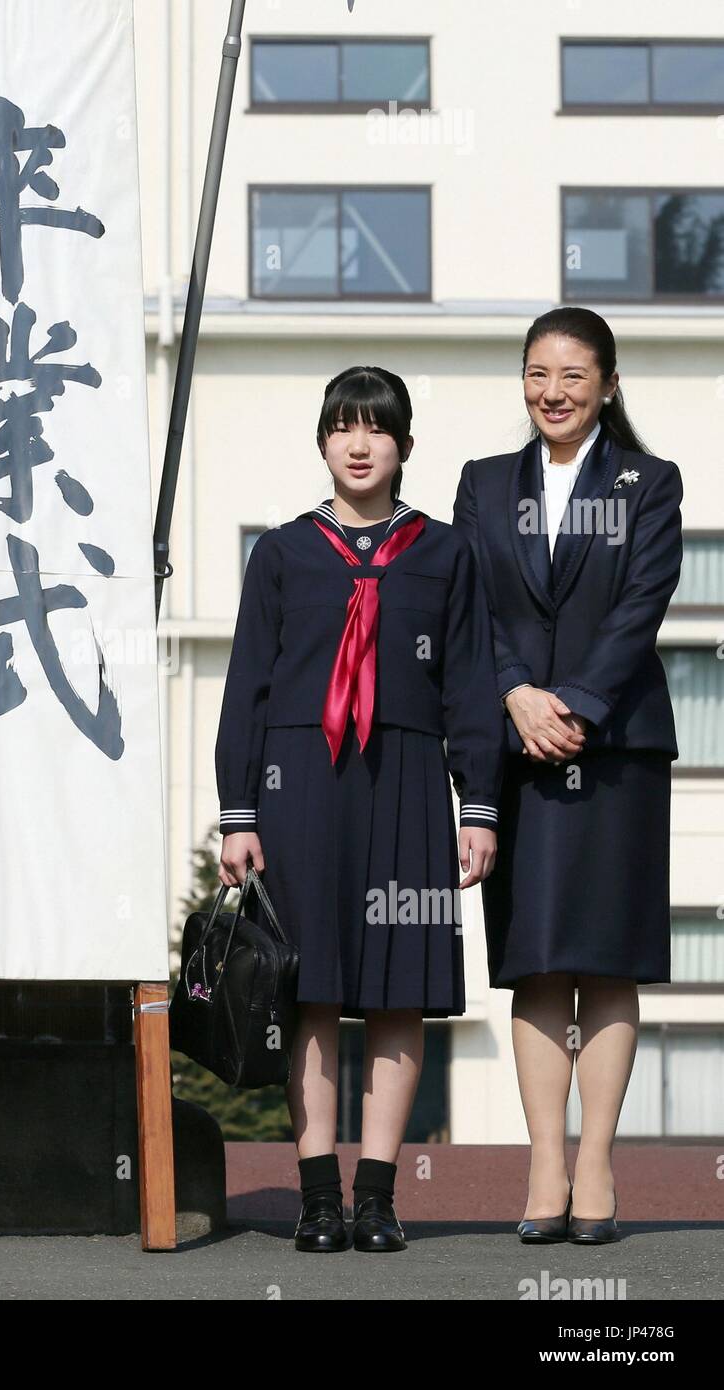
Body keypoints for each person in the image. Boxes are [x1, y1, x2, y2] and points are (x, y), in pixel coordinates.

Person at [216, 366, 504, 1252]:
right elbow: (246, 691)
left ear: (405, 446)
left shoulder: (447, 553)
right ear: (323, 442)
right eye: (342, 426)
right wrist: (238, 813)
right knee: (309, 995)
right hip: (296, 784)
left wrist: (479, 805)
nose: (359, 442)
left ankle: (377, 1195)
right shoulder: (282, 552)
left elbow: (470, 688)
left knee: (396, 996)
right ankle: (316, 1197)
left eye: (376, 428)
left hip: (409, 781)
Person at [453, 306, 682, 1245]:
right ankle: (546, 1161)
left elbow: (643, 604)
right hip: (519, 749)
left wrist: (577, 702)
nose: (553, 392)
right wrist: (516, 696)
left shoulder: (649, 482)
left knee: (607, 958)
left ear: (608, 385)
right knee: (536, 961)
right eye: (538, 374)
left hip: (615, 744)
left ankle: (598, 1167)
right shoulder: (481, 484)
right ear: (523, 381)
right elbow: (472, 611)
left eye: (574, 376)